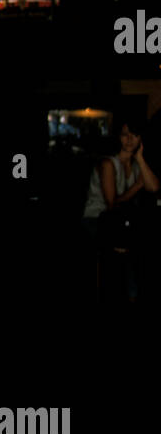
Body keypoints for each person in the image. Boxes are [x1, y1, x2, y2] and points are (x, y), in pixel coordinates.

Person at [82, 117, 159, 303]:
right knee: (125, 241)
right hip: (97, 217)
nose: (130, 140)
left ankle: (133, 292)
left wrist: (140, 158)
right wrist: (136, 187)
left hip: (120, 220)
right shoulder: (108, 163)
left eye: (135, 135)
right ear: (118, 137)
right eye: (125, 135)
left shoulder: (134, 164)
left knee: (140, 238)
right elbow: (111, 203)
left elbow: (154, 187)